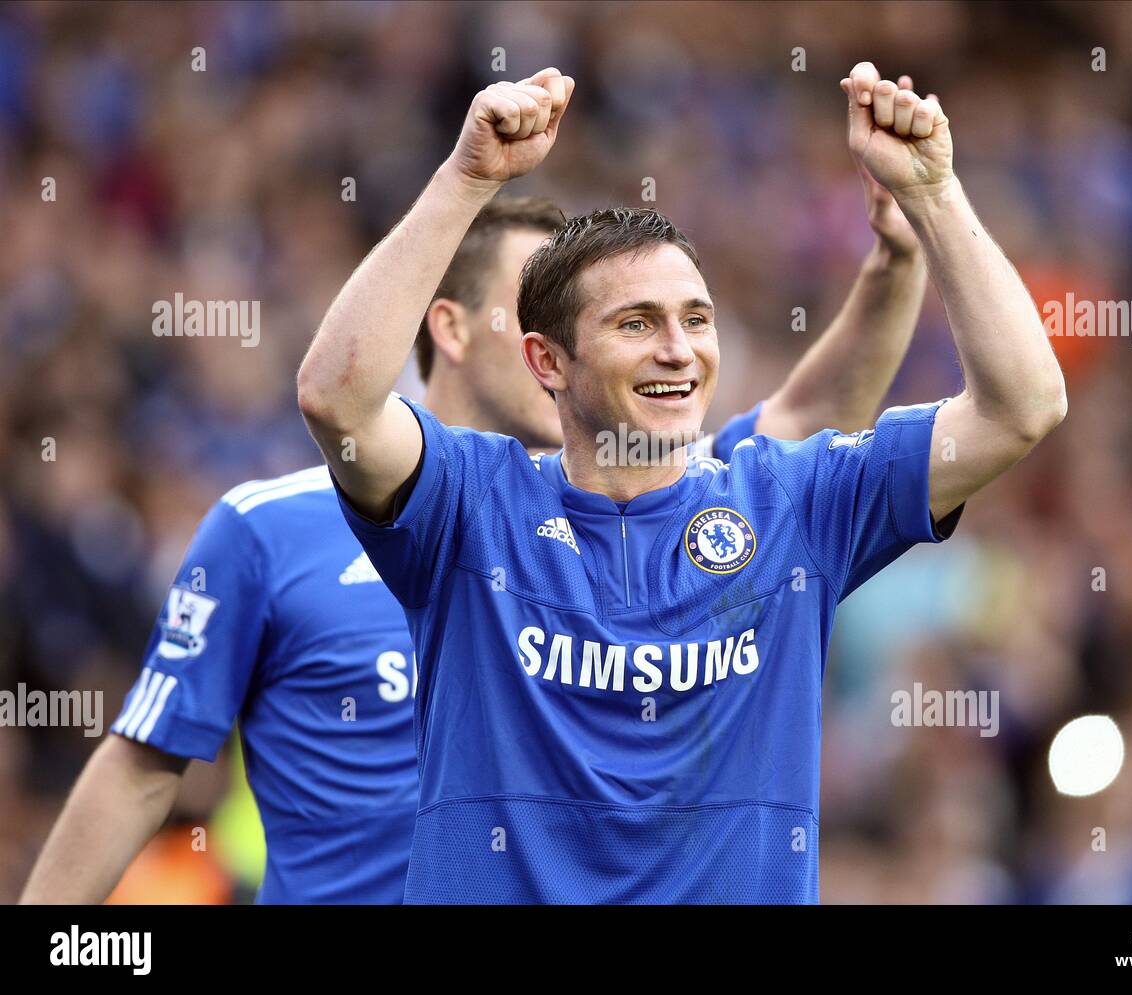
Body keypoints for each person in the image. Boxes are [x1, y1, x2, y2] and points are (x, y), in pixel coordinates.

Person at [20, 80, 929, 905]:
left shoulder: (663, 506)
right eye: (529, 305)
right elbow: (144, 764)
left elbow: (814, 422)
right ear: (451, 327)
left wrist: (894, 263)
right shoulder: (272, 530)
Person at [296, 65, 1066, 903]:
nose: (679, 348)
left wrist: (935, 192)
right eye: (637, 323)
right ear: (547, 360)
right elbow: (336, 397)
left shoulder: (788, 501)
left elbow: (1021, 407)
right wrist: (466, 180)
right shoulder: (469, 505)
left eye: (696, 319)